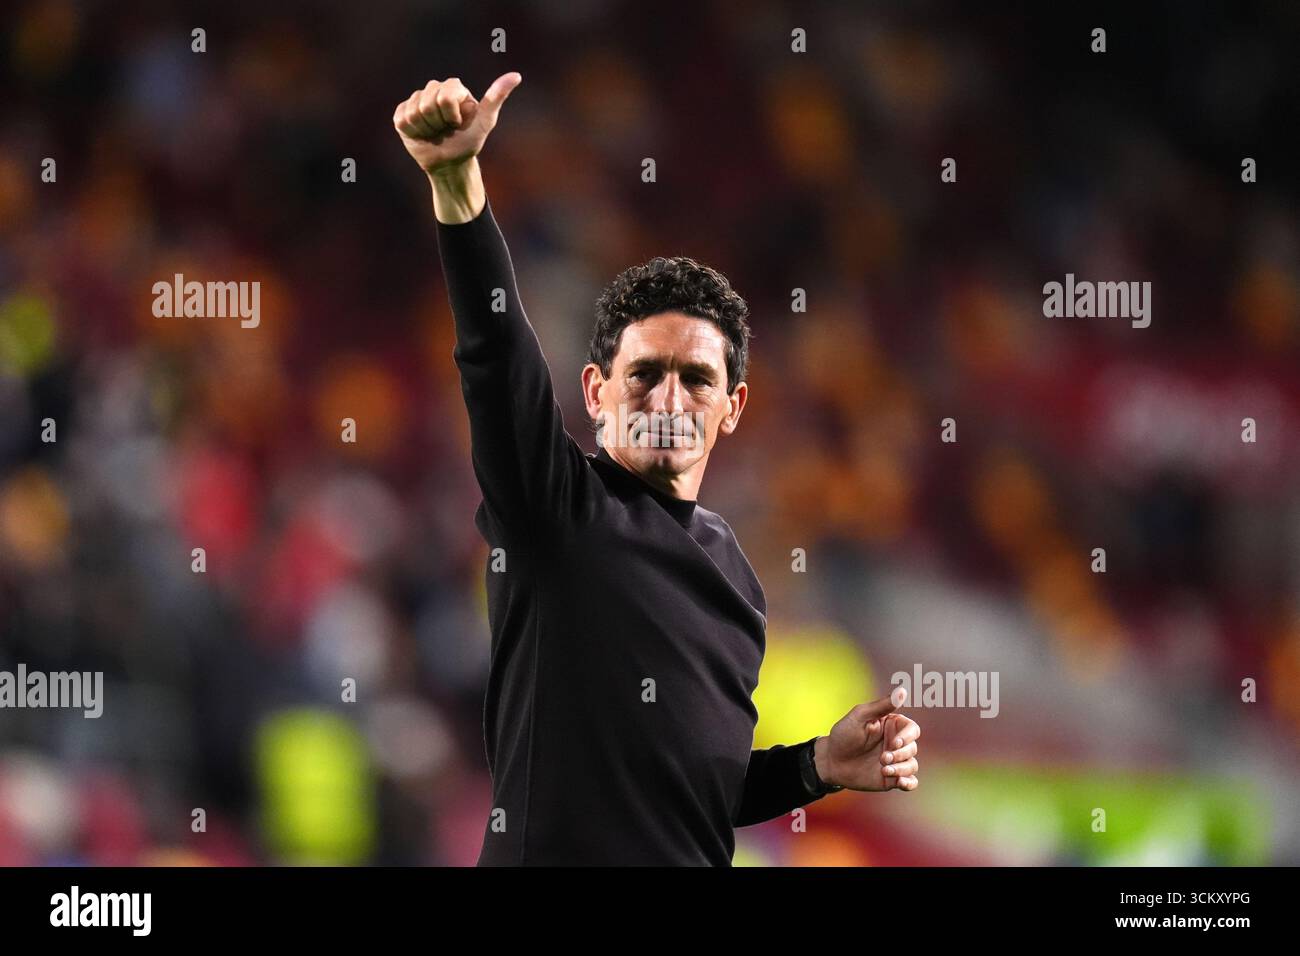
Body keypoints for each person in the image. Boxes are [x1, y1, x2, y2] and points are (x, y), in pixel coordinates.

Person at [393, 73, 921, 865]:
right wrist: (456, 183)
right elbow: (495, 361)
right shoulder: (555, 508)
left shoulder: (734, 575)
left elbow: (692, 792)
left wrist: (817, 766)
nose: (669, 396)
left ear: (733, 406)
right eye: (644, 373)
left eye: (697, 377)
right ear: (596, 393)